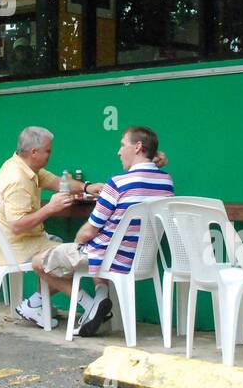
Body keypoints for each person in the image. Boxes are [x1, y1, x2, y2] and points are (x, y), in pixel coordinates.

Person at [33, 126, 174, 336]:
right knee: (100, 249)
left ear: (137, 147)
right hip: (140, 258)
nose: (119, 151)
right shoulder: (166, 182)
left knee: (39, 262)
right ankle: (100, 296)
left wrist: (79, 241)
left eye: (122, 144)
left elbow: (89, 231)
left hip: (108, 257)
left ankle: (89, 305)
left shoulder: (118, 183)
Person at [0, 126, 87, 329]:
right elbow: (17, 226)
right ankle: (83, 304)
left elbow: (58, 182)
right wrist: (50, 208)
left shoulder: (22, 166)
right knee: (70, 258)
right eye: (48, 151)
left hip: (4, 241)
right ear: (34, 152)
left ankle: (36, 303)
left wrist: (87, 187)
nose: (51, 154)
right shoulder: (18, 179)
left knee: (56, 244)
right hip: (13, 245)